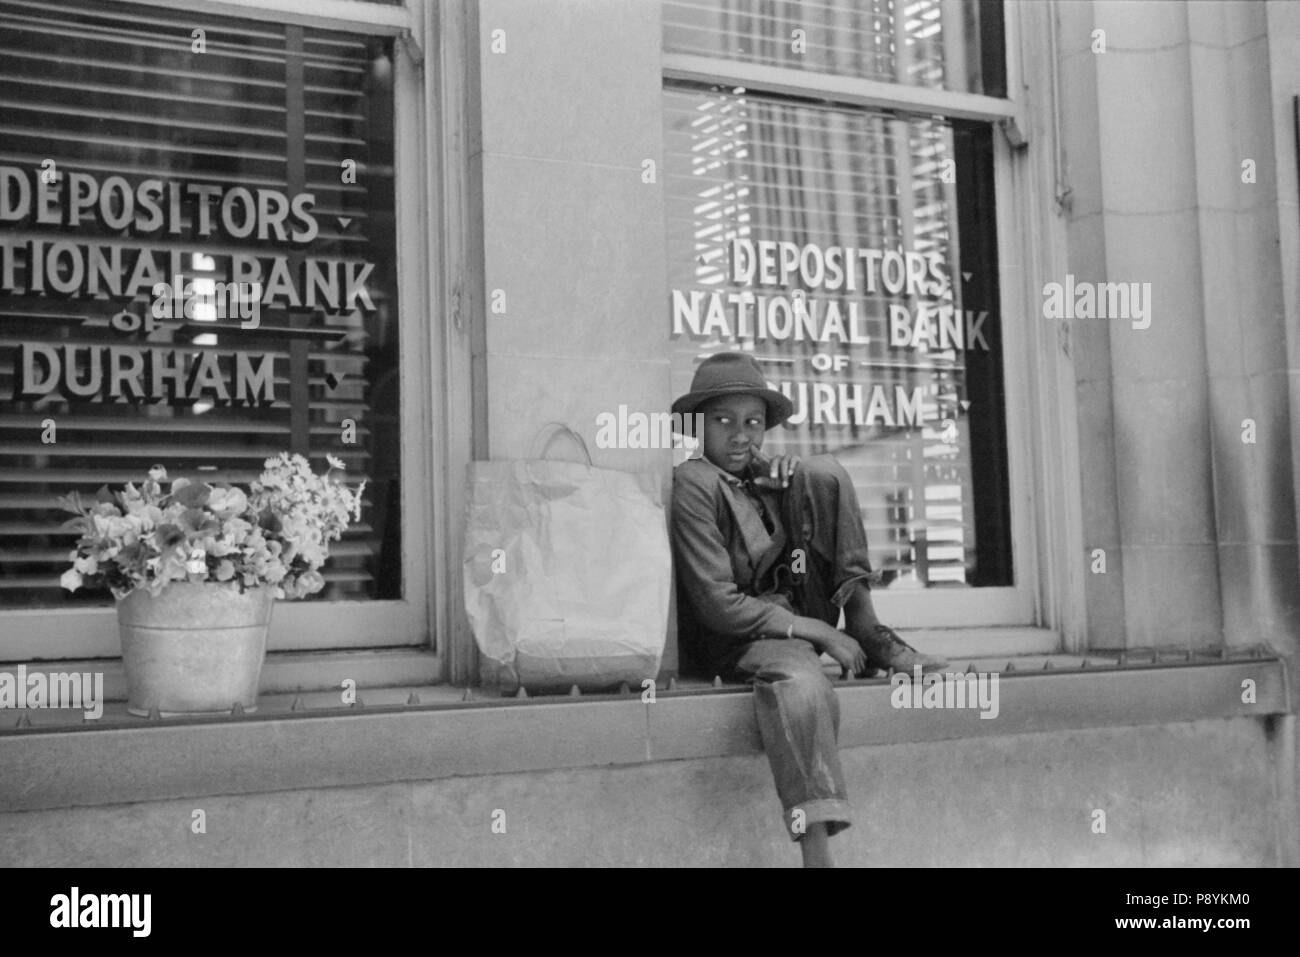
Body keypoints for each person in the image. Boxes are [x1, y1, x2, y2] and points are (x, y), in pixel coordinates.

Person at [669, 352, 947, 867]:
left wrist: (787, 493)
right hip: (742, 636)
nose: (739, 436)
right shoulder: (694, 484)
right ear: (695, 427)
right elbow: (717, 605)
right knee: (802, 684)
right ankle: (817, 856)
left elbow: (797, 548)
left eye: (752, 422)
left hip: (797, 614)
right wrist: (815, 631)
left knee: (823, 471)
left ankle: (868, 628)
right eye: (722, 421)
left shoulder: (765, 474)